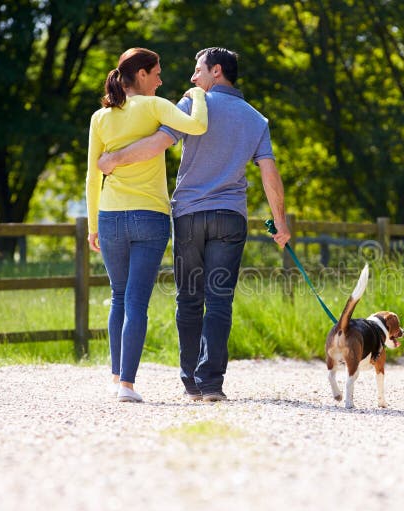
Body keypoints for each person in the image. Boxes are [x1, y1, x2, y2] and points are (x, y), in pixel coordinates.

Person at [98, 47, 290, 402]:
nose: (191, 77)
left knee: (189, 299)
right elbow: (269, 172)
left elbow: (157, 144)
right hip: (230, 218)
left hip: (189, 216)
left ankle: (191, 381)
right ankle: (212, 383)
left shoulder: (191, 105)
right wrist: (281, 223)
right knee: (219, 301)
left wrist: (111, 160)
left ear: (217, 71)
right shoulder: (256, 119)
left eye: (197, 69)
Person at [86, 47, 208, 403]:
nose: (160, 79)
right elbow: (198, 125)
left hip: (109, 216)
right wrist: (197, 93)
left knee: (118, 297)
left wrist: (92, 224)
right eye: (156, 72)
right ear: (140, 74)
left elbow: (93, 176)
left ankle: (115, 378)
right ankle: (127, 385)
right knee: (136, 302)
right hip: (150, 217)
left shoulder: (100, 117)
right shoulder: (155, 106)